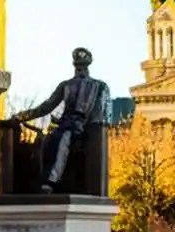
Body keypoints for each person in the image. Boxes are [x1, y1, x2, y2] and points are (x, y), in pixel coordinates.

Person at [12, 47, 111, 192]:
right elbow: (46, 107)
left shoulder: (99, 86)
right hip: (64, 124)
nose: (80, 71)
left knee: (64, 139)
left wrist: (92, 128)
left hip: (83, 128)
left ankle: (51, 179)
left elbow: (103, 114)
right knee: (46, 140)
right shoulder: (66, 85)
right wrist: (22, 116)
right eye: (78, 67)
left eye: (82, 67)